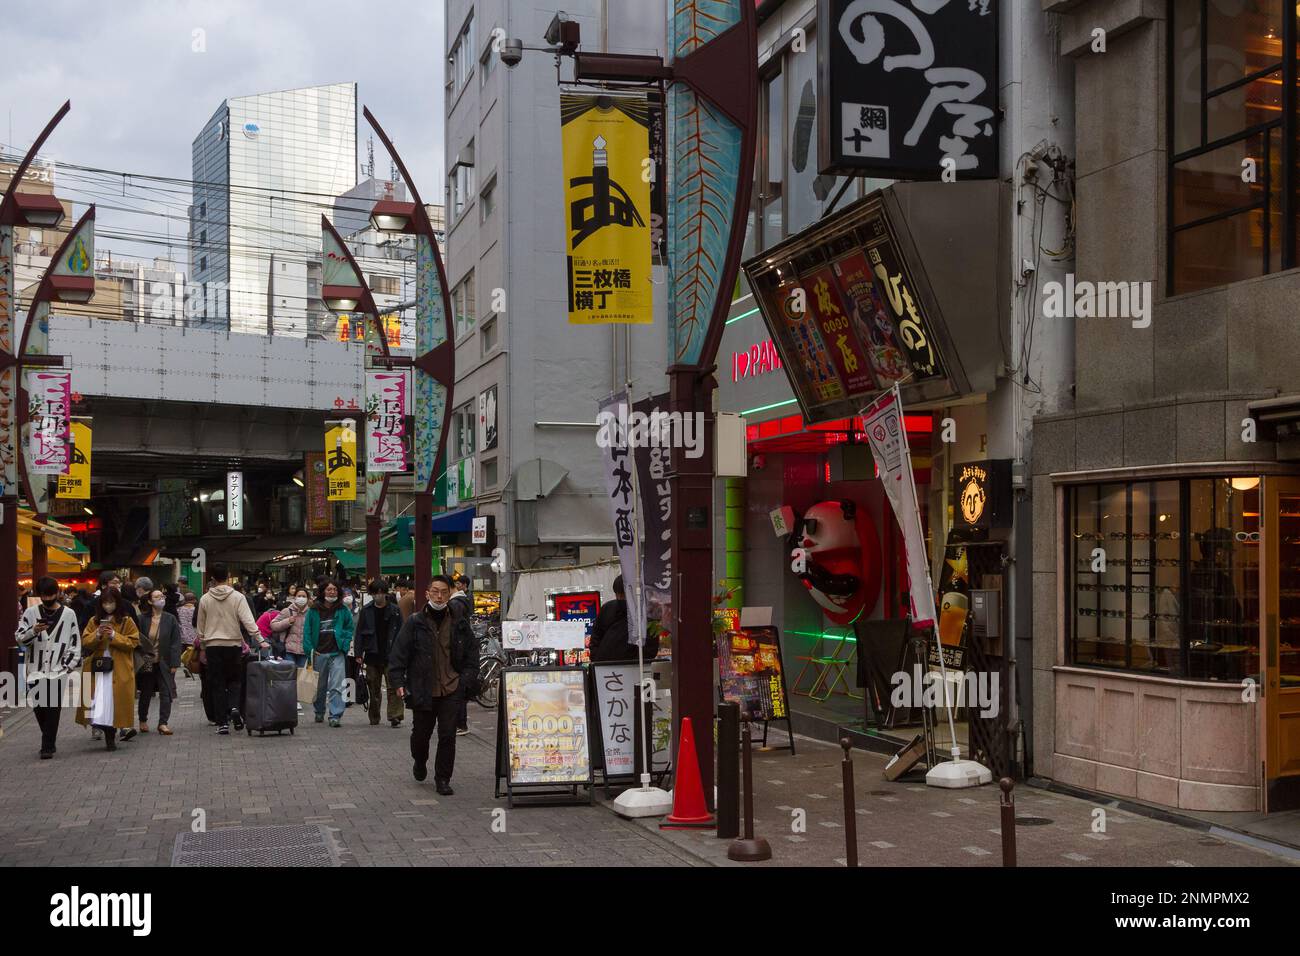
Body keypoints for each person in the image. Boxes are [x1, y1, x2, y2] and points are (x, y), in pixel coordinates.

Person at [388, 575, 479, 794]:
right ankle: (420, 761)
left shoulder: (459, 622)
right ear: (427, 594)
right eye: (435, 591)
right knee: (421, 735)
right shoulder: (415, 622)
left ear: (450, 594)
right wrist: (398, 681)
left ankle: (443, 778)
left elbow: (472, 655)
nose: (439, 596)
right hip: (423, 688)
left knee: (447, 735)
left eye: (444, 592)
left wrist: (465, 681)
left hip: (451, 687)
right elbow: (399, 655)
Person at [15, 576, 82, 759]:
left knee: (53, 708)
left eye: (50, 594)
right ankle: (48, 739)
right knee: (39, 708)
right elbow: (19, 638)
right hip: (35, 670)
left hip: (58, 670)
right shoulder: (30, 613)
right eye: (43, 595)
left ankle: (47, 746)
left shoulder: (69, 614)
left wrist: (68, 666)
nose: (47, 598)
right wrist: (33, 631)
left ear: (57, 593)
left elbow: (74, 641)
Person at [196, 563, 263, 735]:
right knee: (235, 680)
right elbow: (248, 620)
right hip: (233, 645)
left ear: (212, 578)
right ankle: (234, 707)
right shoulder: (238, 597)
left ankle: (222, 723)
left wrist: (203, 647)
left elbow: (200, 627)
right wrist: (260, 639)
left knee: (217, 684)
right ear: (228, 577)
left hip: (212, 646)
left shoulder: (205, 599)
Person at [75, 587, 141, 751]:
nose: (108, 606)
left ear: (117, 603)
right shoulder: (94, 621)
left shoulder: (126, 621)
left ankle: (111, 736)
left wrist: (113, 636)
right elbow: (85, 641)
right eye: (105, 603)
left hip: (119, 667)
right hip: (97, 667)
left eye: (111, 602)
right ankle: (104, 730)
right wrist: (97, 635)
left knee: (113, 702)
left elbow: (133, 642)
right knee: (96, 702)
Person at [303, 579, 354, 727]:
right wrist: (310, 650)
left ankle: (335, 715)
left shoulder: (343, 610)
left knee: (337, 685)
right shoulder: (313, 610)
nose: (332, 592)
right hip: (319, 652)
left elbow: (349, 628)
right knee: (319, 686)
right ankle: (319, 711)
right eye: (329, 589)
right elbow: (307, 631)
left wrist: (344, 644)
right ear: (323, 591)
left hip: (336, 653)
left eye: (334, 590)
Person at [354, 580, 405, 727]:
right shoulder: (366, 611)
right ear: (371, 594)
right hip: (372, 654)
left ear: (386, 592)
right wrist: (358, 653)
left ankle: (395, 716)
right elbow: (359, 634)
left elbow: (402, 633)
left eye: (381, 592)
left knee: (394, 686)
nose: (379, 595)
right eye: (376, 592)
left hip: (392, 655)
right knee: (373, 688)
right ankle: (374, 716)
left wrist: (403, 653)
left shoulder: (395, 610)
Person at [137, 589, 182, 735]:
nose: (160, 599)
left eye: (162, 596)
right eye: (156, 597)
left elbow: (176, 642)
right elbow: (137, 640)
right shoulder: (142, 619)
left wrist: (175, 663)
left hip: (165, 661)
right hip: (147, 661)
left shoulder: (170, 619)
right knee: (146, 691)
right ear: (150, 601)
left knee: (166, 692)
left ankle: (163, 723)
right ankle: (142, 719)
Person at [589, 575, 659, 663]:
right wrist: (596, 658)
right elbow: (596, 636)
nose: (620, 598)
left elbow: (650, 647)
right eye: (618, 595)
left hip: (632, 668)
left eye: (624, 595)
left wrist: (636, 664)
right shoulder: (607, 608)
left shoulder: (646, 613)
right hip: (604, 667)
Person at [450, 577, 473, 735]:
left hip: (458, 653)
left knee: (458, 690)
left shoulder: (455, 604)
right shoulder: (463, 601)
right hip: (462, 652)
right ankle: (459, 722)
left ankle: (460, 723)